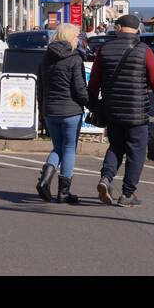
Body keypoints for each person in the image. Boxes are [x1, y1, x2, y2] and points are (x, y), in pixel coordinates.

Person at [88, 14, 154, 207]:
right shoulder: (144, 51)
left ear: (119, 28)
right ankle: (127, 194)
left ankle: (106, 179)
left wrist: (93, 105)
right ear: (137, 29)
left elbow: (93, 83)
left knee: (116, 146)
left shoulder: (104, 49)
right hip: (137, 113)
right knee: (137, 151)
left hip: (112, 110)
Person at [36, 23, 89, 205]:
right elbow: (80, 90)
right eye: (76, 37)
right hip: (71, 111)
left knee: (57, 147)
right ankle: (64, 193)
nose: (78, 40)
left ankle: (44, 180)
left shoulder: (45, 58)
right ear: (69, 37)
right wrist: (92, 105)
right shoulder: (75, 59)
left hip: (51, 111)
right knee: (68, 149)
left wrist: (42, 111)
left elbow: (40, 87)